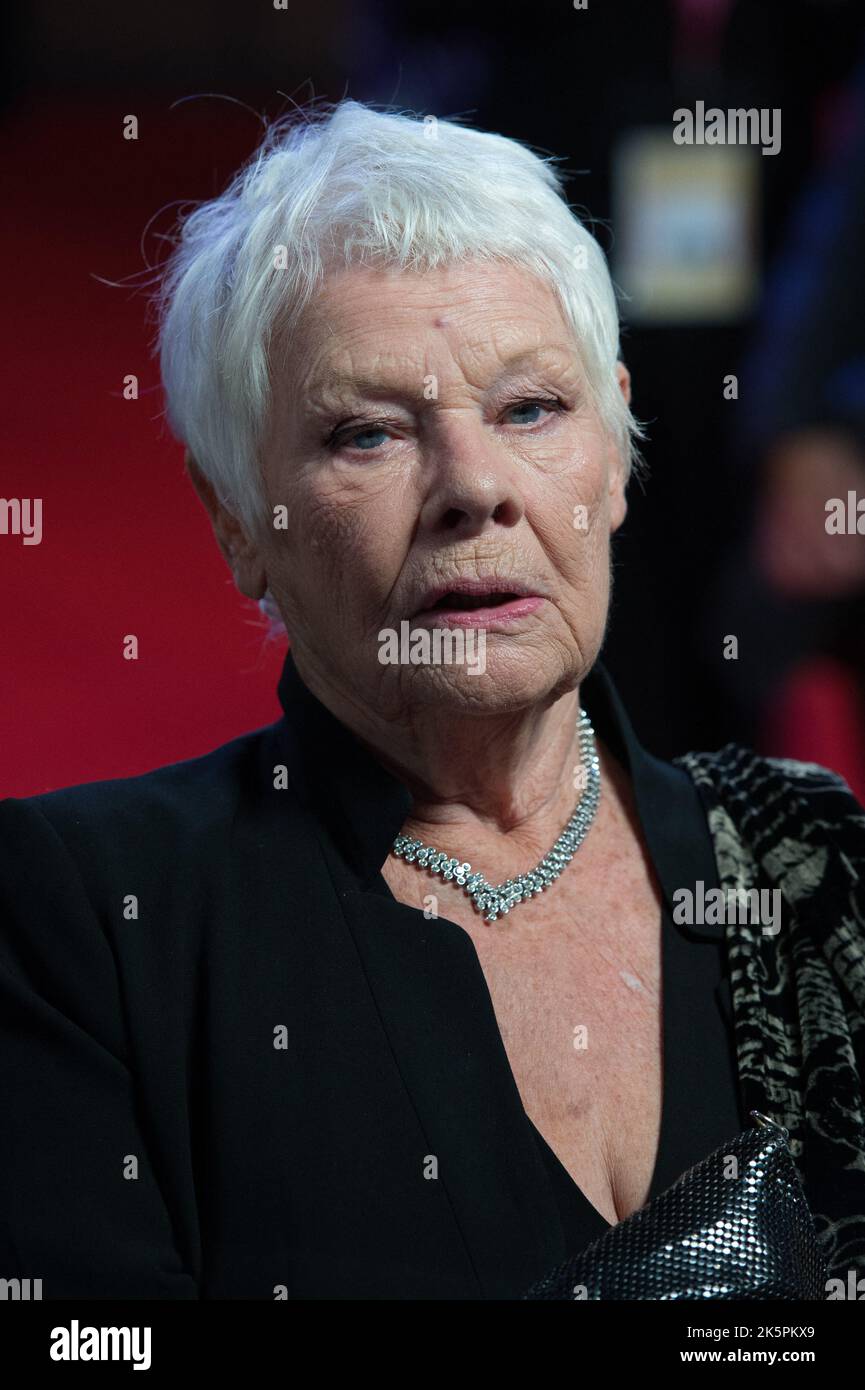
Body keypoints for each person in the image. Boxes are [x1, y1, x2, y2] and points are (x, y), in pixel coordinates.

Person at [1, 101, 863, 1300]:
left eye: (530, 410)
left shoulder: (817, 860)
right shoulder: (87, 913)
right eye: (367, 433)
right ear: (238, 521)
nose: (474, 488)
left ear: (615, 457)